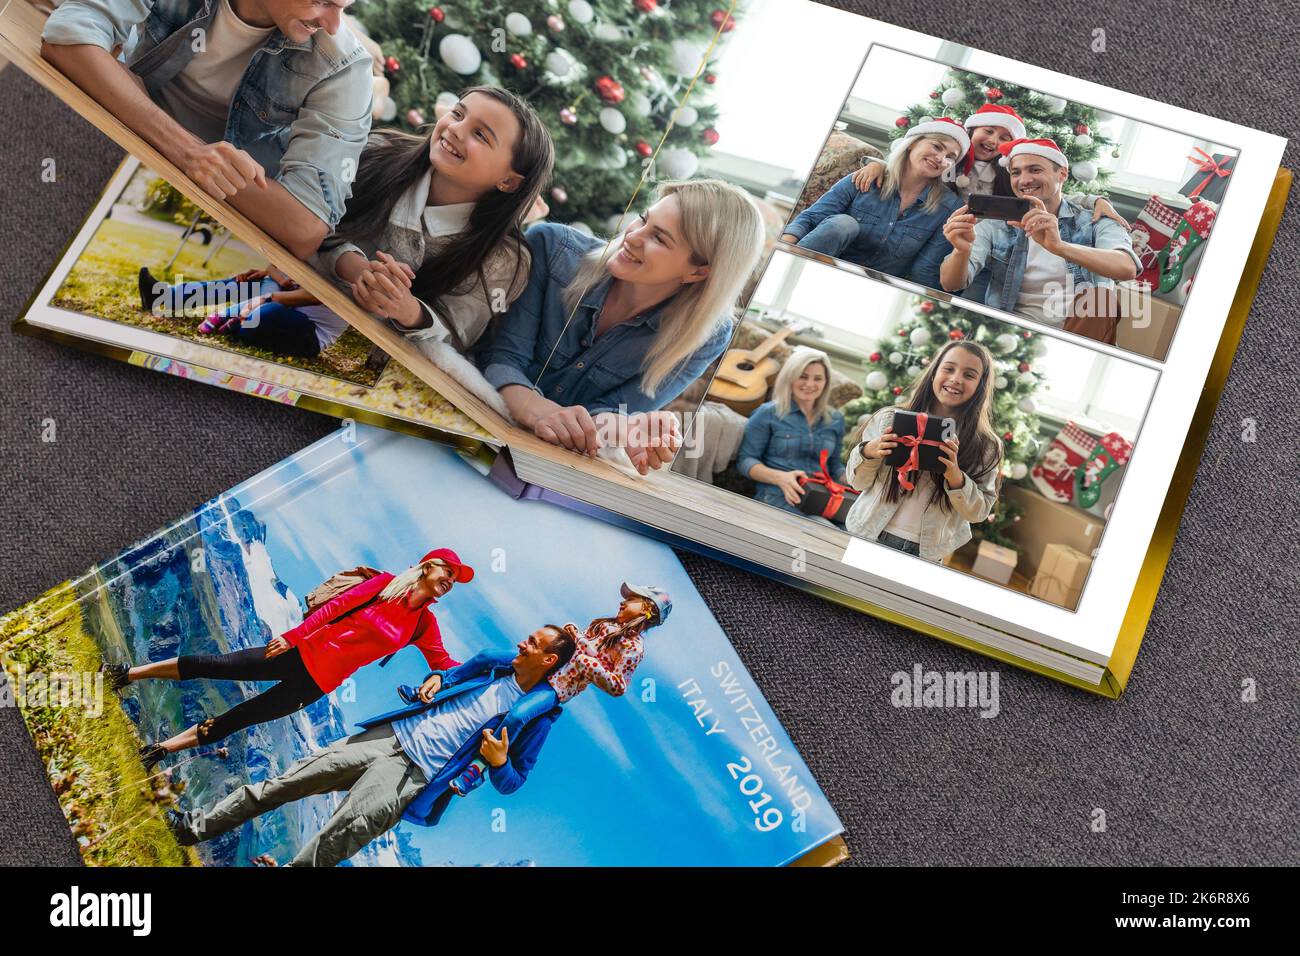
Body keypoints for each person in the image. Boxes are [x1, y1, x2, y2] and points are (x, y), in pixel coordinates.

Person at [137, 87, 555, 359]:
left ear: (509, 180)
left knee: (268, 312)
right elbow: (312, 219)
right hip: (303, 284)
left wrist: (406, 309)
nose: (456, 130)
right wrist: (353, 267)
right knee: (260, 285)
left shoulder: (505, 258)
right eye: (459, 114)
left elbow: (458, 333)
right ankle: (169, 300)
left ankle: (214, 314)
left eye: (482, 135)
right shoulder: (377, 152)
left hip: (346, 331)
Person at [167, 624, 577, 867]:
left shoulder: (536, 718)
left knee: (330, 843)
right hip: (386, 738)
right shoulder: (491, 668)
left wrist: (501, 762)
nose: (522, 643)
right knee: (284, 783)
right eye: (527, 637)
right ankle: (191, 829)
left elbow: (514, 781)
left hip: (412, 776)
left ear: (548, 662)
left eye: (533, 644)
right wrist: (436, 680)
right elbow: (449, 676)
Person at [41, 0, 374, 259]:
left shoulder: (344, 66)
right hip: (108, 139)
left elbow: (305, 227)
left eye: (343, 7)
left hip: (206, 206)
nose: (332, 25)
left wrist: (126, 92)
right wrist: (189, 153)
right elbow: (68, 38)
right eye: (322, 2)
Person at [477, 179, 765, 473]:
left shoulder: (706, 337)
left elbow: (614, 410)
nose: (633, 237)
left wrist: (626, 427)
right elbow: (501, 357)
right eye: (643, 219)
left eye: (659, 239)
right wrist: (539, 412)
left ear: (698, 272)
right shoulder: (552, 249)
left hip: (550, 464)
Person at [103, 548, 474, 769]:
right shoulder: (384, 585)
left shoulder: (424, 624)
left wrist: (474, 672)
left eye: (455, 581)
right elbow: (335, 609)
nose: (451, 581)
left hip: (316, 684)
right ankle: (127, 674)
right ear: (429, 565)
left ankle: (157, 751)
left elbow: (445, 663)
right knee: (214, 665)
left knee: (240, 719)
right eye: (449, 572)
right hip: (296, 652)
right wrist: (291, 637)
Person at [420, 581, 671, 797]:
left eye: (632, 599)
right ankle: (443, 681)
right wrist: (574, 635)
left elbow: (618, 686)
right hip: (547, 663)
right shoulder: (605, 625)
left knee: (518, 715)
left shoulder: (633, 647)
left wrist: (586, 661)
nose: (622, 602)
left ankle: (477, 769)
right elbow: (581, 644)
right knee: (488, 656)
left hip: (557, 687)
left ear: (647, 609)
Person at [939, 138, 1140, 327]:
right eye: (1016, 173)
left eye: (1035, 170)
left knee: (1101, 300)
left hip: (1078, 330)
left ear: (1062, 174)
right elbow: (950, 284)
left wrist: (1059, 247)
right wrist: (961, 251)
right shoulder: (995, 226)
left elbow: (1126, 267)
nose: (1024, 180)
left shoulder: (1096, 220)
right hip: (1008, 327)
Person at [843, 340, 1003, 563]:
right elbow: (857, 482)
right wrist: (869, 451)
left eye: (969, 375)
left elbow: (977, 512)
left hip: (925, 552)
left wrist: (955, 477)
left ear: (980, 385)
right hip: (869, 533)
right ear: (934, 372)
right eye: (949, 368)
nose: (956, 379)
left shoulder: (985, 446)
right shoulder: (888, 419)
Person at [779, 118, 968, 288]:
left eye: (951, 157)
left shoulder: (949, 209)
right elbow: (809, 220)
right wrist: (781, 256)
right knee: (843, 223)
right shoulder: (864, 179)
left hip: (874, 288)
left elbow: (925, 272)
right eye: (937, 146)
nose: (941, 158)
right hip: (814, 272)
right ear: (912, 144)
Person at [736, 347, 846, 516]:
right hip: (777, 497)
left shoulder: (835, 419)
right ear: (790, 377)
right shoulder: (768, 413)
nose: (810, 384)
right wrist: (780, 477)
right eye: (802, 376)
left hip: (823, 500)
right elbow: (745, 461)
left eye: (818, 378)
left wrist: (859, 479)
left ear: (825, 383)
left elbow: (835, 466)